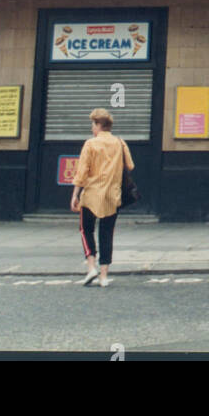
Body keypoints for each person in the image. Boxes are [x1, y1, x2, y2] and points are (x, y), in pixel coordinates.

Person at [71, 108, 133, 288]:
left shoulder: (90, 144)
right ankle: (104, 276)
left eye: (93, 124)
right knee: (107, 233)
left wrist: (75, 194)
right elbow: (130, 165)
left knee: (85, 229)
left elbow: (82, 173)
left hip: (91, 195)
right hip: (112, 197)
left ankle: (91, 266)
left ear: (99, 125)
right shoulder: (120, 143)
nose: (92, 128)